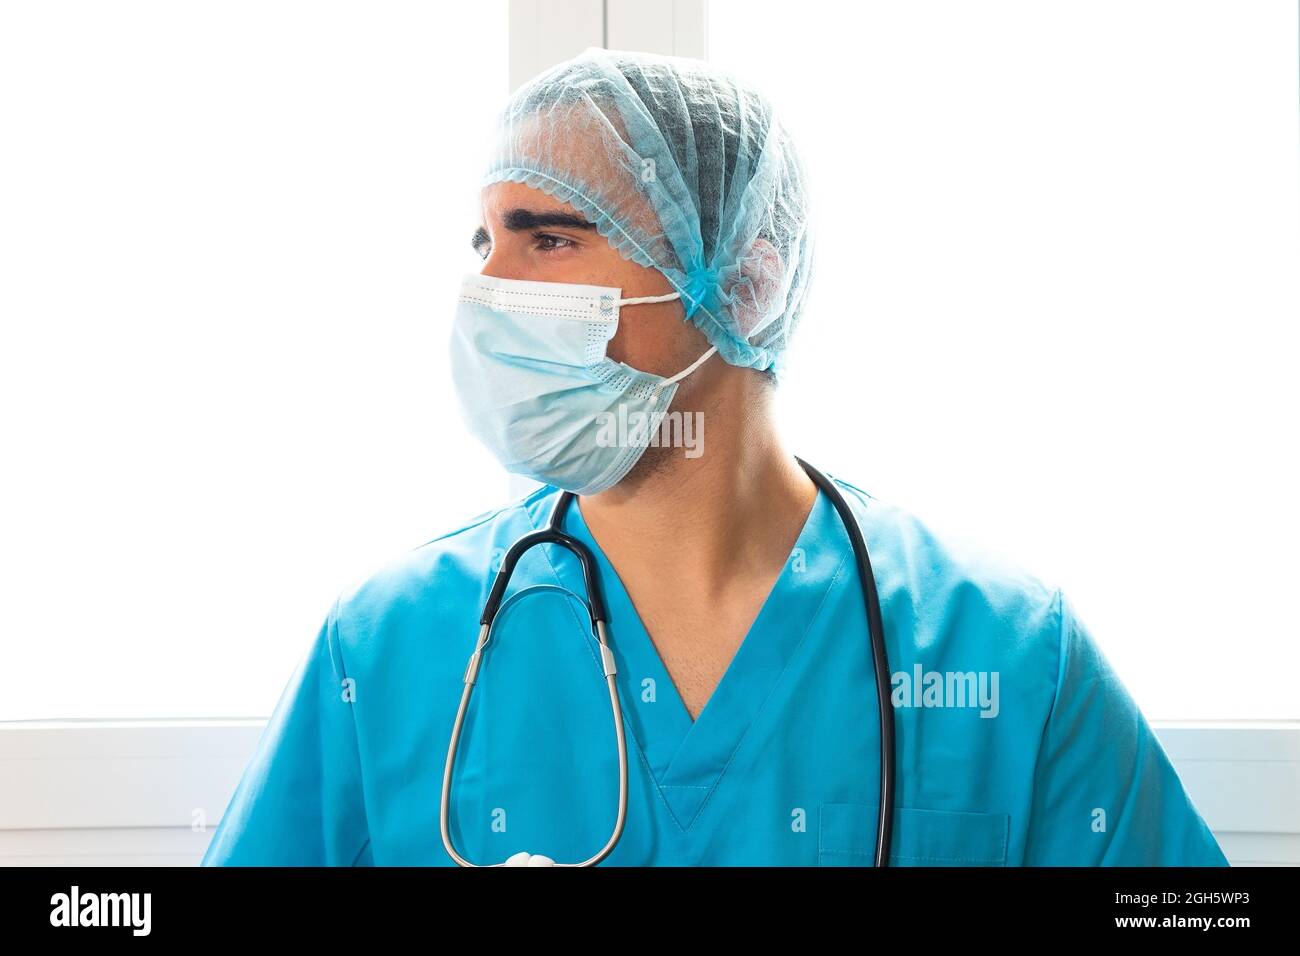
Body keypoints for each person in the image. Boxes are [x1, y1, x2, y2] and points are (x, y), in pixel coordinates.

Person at [200, 47, 1227, 867]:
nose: (487, 286)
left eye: (547, 238)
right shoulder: (388, 646)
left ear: (739, 283)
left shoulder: (998, 649)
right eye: (482, 243)